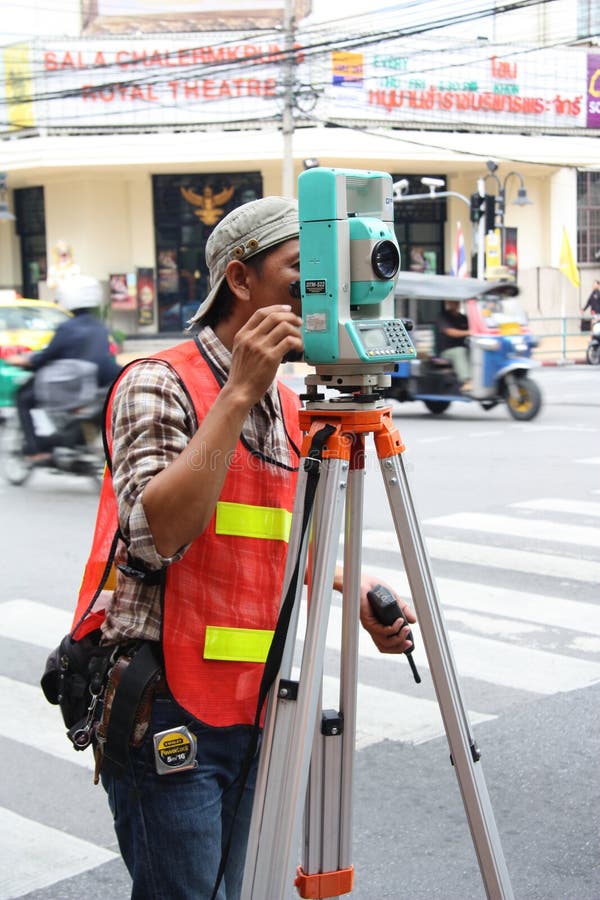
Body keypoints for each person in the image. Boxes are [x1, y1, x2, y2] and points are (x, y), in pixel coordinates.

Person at [85, 196, 416, 900]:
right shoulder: (160, 381)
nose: (320, 292)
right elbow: (155, 535)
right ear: (240, 281)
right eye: (304, 272)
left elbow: (270, 533)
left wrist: (348, 590)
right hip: (169, 707)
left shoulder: (294, 404)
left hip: (263, 701)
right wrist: (236, 394)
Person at [6, 274, 121, 461]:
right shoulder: (100, 327)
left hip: (71, 386)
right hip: (98, 384)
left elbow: (46, 356)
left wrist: (23, 360)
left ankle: (35, 450)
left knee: (23, 398)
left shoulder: (68, 327)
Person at [437, 299, 472, 392]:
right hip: (446, 351)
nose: (455, 304)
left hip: (464, 348)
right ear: (448, 303)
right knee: (459, 351)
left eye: (457, 302)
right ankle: (467, 381)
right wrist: (469, 332)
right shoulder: (443, 316)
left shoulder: (463, 318)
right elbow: (450, 332)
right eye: (452, 302)